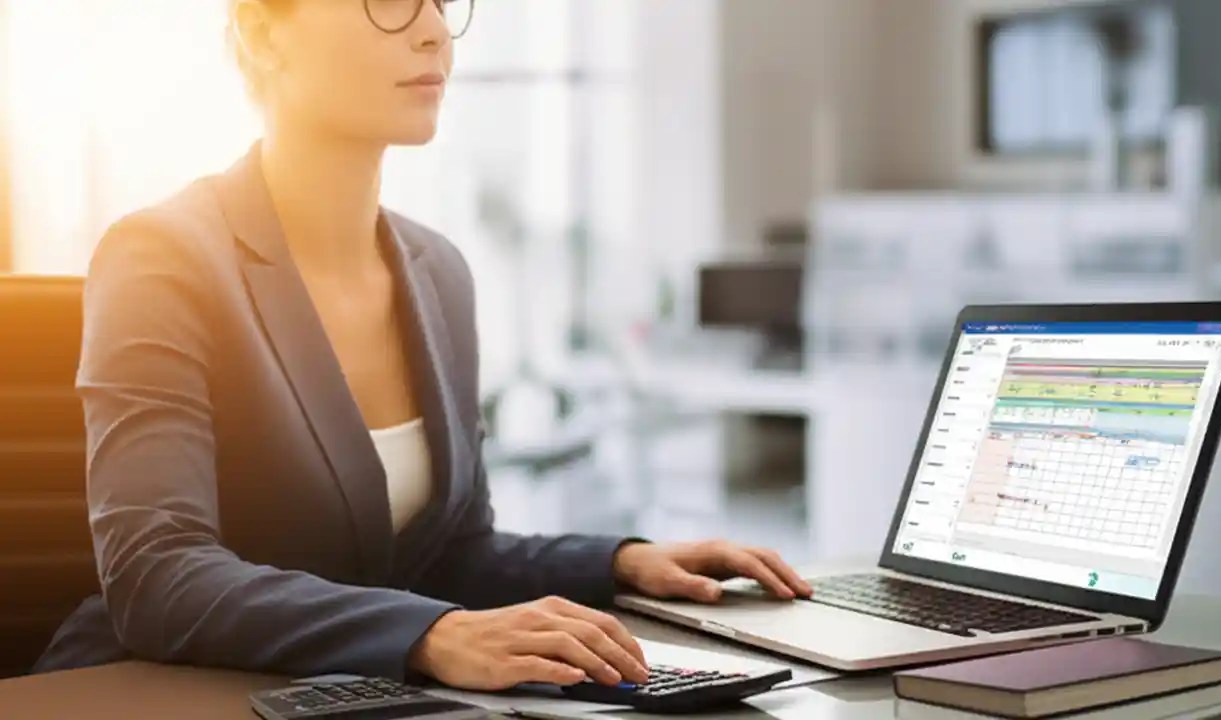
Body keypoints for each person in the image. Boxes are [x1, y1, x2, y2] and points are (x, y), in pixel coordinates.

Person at [33, 0, 811, 689]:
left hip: (347, 693)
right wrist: (428, 633)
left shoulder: (438, 272)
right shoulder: (162, 256)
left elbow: (449, 554)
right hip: (155, 691)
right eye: (389, 2)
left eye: (441, 1)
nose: (436, 31)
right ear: (263, 36)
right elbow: (156, 575)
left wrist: (618, 563)